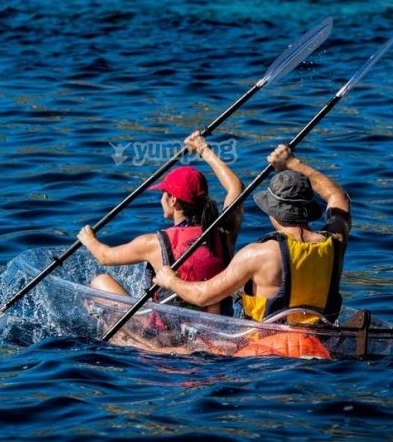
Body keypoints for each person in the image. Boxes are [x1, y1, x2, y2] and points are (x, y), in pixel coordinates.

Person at [154, 144, 351, 325]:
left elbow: (203, 296)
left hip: (268, 350)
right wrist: (293, 163)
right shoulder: (335, 242)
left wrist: (170, 280)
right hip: (322, 344)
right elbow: (338, 196)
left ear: (272, 211)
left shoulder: (257, 254)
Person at [77, 130, 244, 316]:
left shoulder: (154, 243)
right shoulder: (224, 232)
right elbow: (236, 188)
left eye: (163, 194)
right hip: (218, 326)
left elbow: (105, 256)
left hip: (167, 332)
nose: (160, 199)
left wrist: (89, 239)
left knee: (100, 281)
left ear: (173, 200)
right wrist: (203, 149)